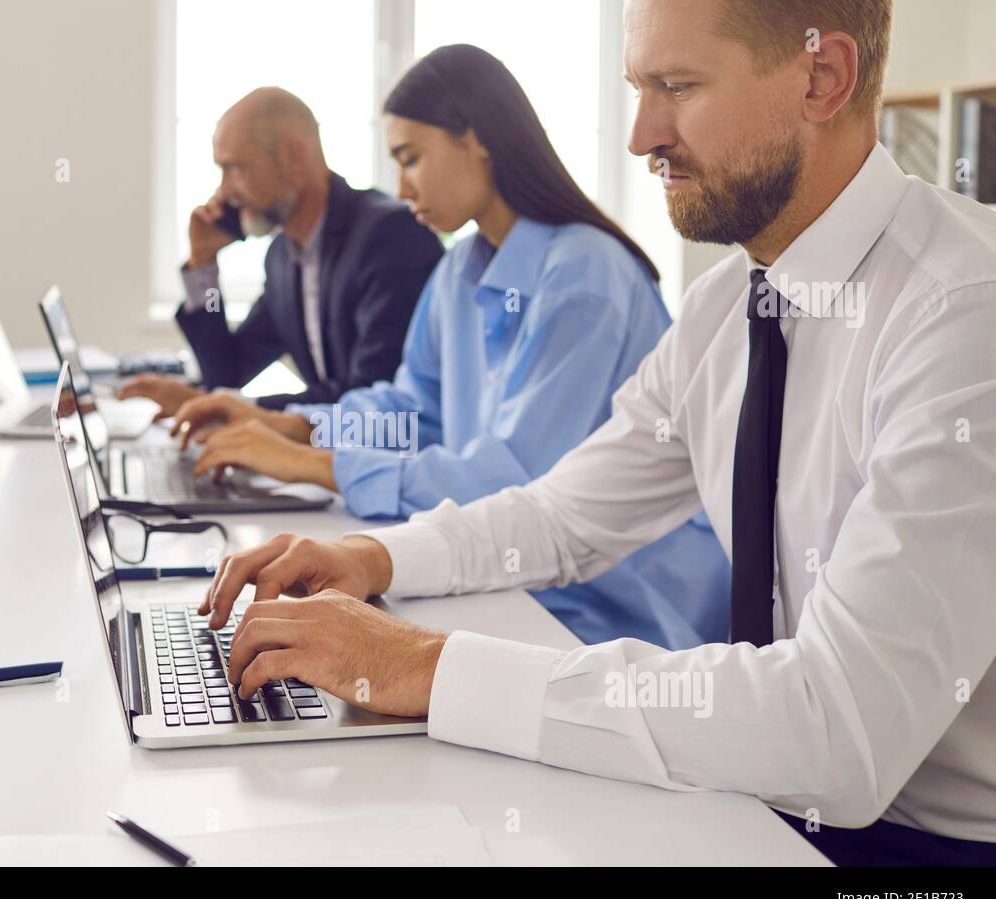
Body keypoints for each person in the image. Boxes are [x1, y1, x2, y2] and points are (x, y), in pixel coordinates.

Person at [196, 0, 996, 865]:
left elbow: (839, 729)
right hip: (768, 796)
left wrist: (422, 668)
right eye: (636, 87)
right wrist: (374, 558)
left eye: (676, 86)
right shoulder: (724, 309)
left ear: (823, 77)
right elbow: (564, 515)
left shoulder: (967, 315)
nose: (639, 135)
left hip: (934, 858)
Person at [163, 45, 731, 651]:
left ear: (477, 140)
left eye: (411, 158)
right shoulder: (460, 269)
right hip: (508, 580)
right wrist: (292, 426)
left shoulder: (585, 276)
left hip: (617, 611)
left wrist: (313, 464)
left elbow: (518, 479)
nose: (402, 186)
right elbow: (409, 415)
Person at [117, 87, 444, 413]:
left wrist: (236, 408)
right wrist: (203, 263)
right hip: (335, 451)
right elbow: (227, 374)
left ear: (292, 158)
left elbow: (372, 397)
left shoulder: (389, 236)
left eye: (235, 168)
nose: (224, 190)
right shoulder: (282, 258)